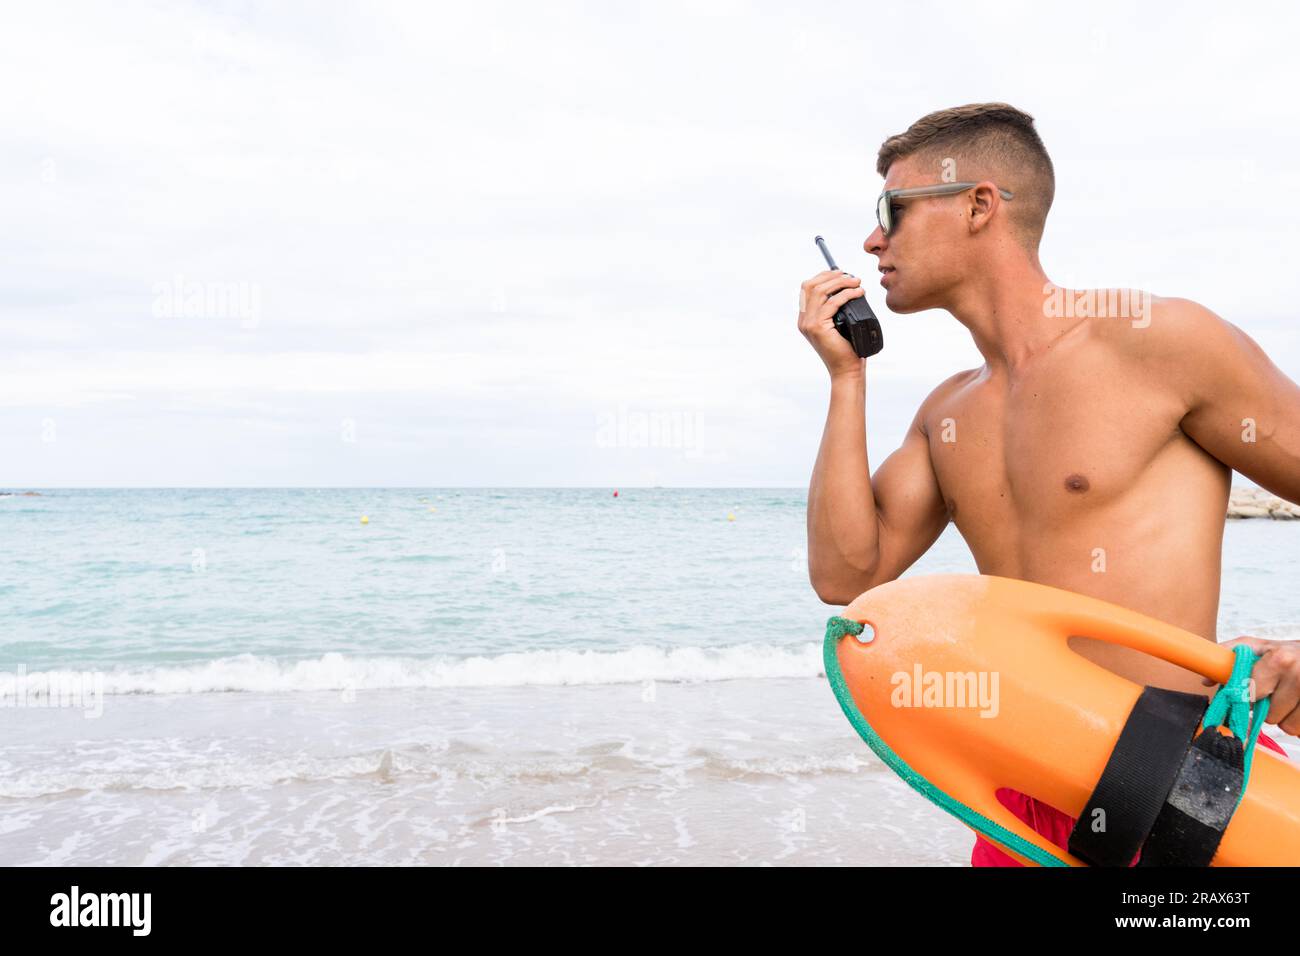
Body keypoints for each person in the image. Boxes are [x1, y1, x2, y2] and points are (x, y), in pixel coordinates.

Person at [799, 102, 1300, 866]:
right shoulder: (946, 414)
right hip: (1023, 787)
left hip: (1177, 776)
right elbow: (846, 575)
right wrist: (846, 378)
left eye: (891, 211)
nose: (872, 240)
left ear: (978, 205)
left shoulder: (1160, 343)